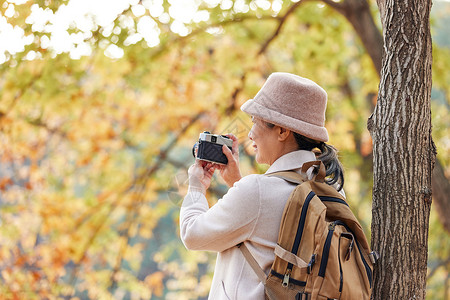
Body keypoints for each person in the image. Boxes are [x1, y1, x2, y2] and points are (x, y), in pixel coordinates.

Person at [180, 72, 345, 300]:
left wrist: (196, 188)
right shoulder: (333, 189)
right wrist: (236, 184)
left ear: (282, 131)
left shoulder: (257, 191)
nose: (250, 134)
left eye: (255, 122)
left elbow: (192, 235)